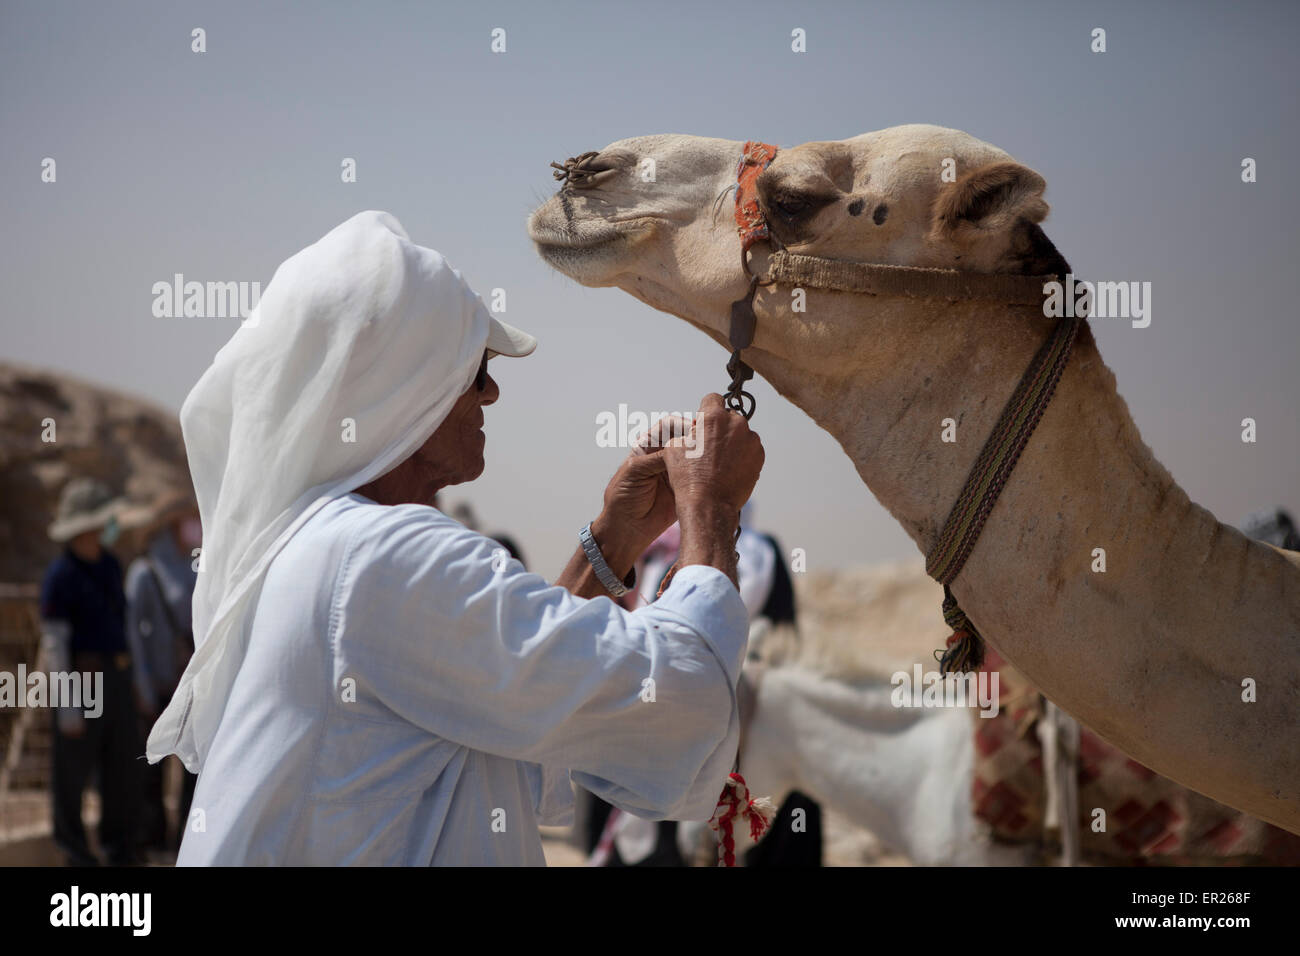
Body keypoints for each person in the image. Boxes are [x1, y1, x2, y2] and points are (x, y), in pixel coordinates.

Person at [144, 210, 764, 865]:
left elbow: (519, 725)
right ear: (402, 384)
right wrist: (712, 504)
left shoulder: (321, 552)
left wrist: (614, 540)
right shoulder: (381, 555)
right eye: (476, 370)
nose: (492, 393)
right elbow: (675, 702)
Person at [39, 478, 142, 866]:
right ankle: (76, 857)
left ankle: (121, 854)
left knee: (121, 773)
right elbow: (55, 643)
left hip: (116, 680)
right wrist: (67, 706)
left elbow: (124, 626)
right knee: (71, 778)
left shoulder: (111, 565)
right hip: (81, 682)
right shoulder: (61, 575)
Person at [125, 492, 201, 854]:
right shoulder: (144, 571)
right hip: (156, 685)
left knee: (191, 767)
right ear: (173, 525)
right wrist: (140, 685)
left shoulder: (196, 567)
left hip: (188, 686)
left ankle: (185, 842)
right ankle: (152, 842)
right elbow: (133, 636)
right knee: (151, 768)